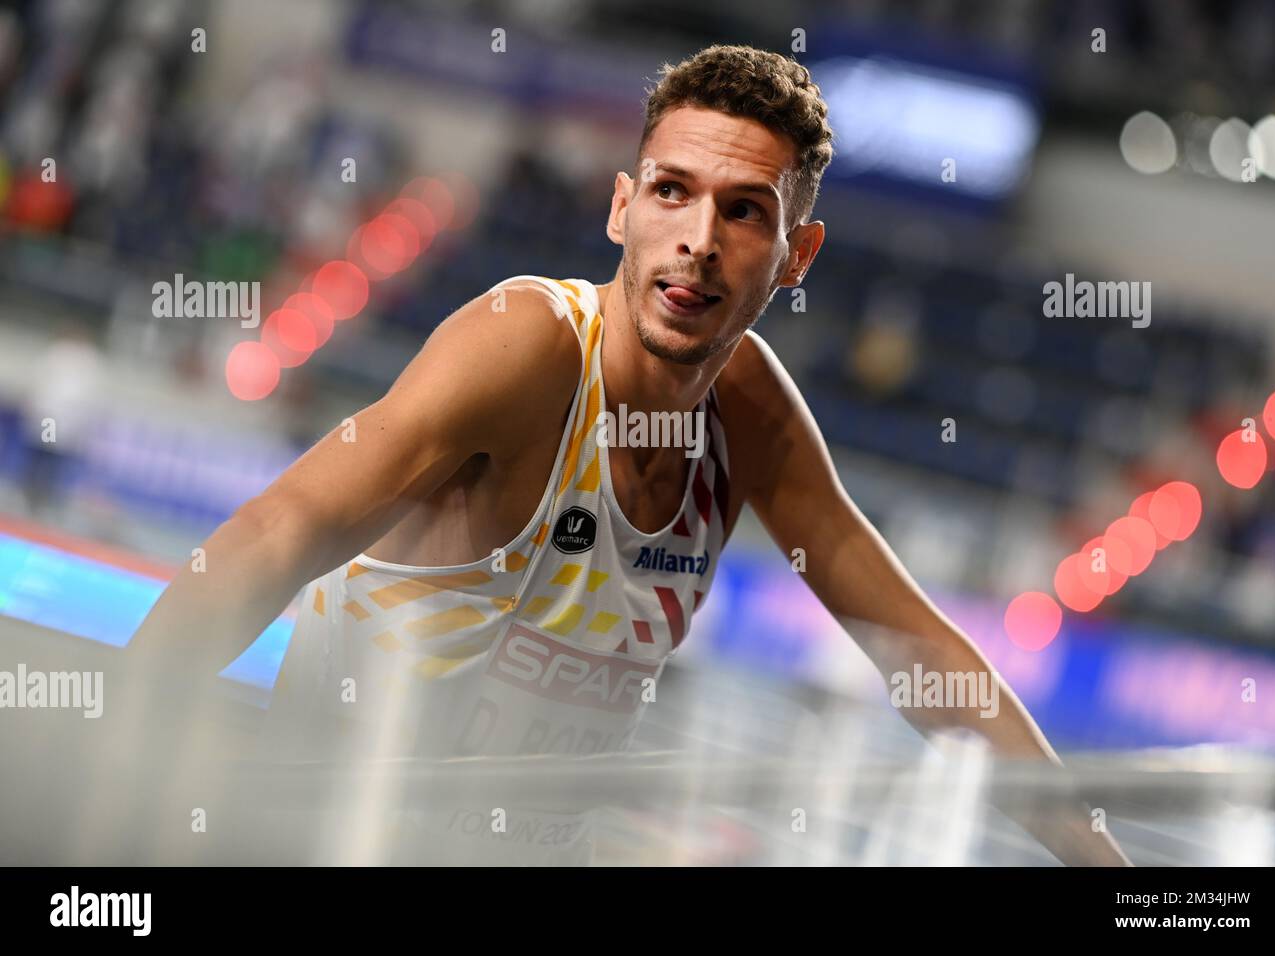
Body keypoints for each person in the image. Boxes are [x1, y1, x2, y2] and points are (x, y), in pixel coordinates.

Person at [126, 44, 1131, 866]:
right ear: (621, 208)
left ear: (795, 256)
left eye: (744, 211)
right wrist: (110, 755)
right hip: (318, 838)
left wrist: (1100, 859)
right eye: (670, 191)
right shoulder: (523, 343)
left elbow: (918, 651)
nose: (696, 239)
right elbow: (278, 529)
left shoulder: (751, 414)